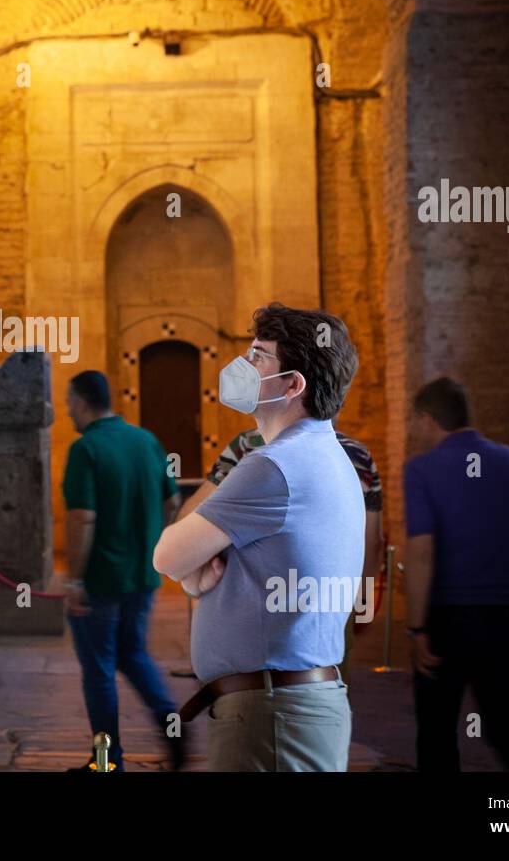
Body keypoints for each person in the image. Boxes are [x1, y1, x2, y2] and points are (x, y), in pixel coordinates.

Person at [154, 303, 363, 771]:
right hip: (293, 705)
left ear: (293, 384)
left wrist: (192, 575)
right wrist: (197, 579)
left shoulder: (273, 466)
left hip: (272, 715)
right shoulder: (330, 455)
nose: (243, 368)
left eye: (258, 357)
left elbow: (167, 555)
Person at [404, 377, 509, 772]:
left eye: (415, 421)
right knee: (507, 726)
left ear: (428, 419)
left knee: (436, 730)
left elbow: (421, 550)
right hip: (506, 614)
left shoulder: (422, 469)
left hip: (449, 616)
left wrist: (417, 628)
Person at [178, 424, 383, 690]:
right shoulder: (356, 455)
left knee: (249, 709)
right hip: (330, 607)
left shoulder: (250, 445)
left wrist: (198, 572)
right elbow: (371, 541)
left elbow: (189, 519)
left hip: (251, 606)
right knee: (325, 701)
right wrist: (360, 604)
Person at [61, 369, 184, 771]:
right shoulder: (146, 440)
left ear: (81, 401)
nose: (67, 410)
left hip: (99, 580)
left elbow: (83, 517)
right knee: (134, 653)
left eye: (68, 402)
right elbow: (172, 501)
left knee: (98, 670)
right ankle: (172, 722)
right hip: (142, 578)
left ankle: (107, 759)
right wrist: (154, 546)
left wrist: (75, 577)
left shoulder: (86, 448)